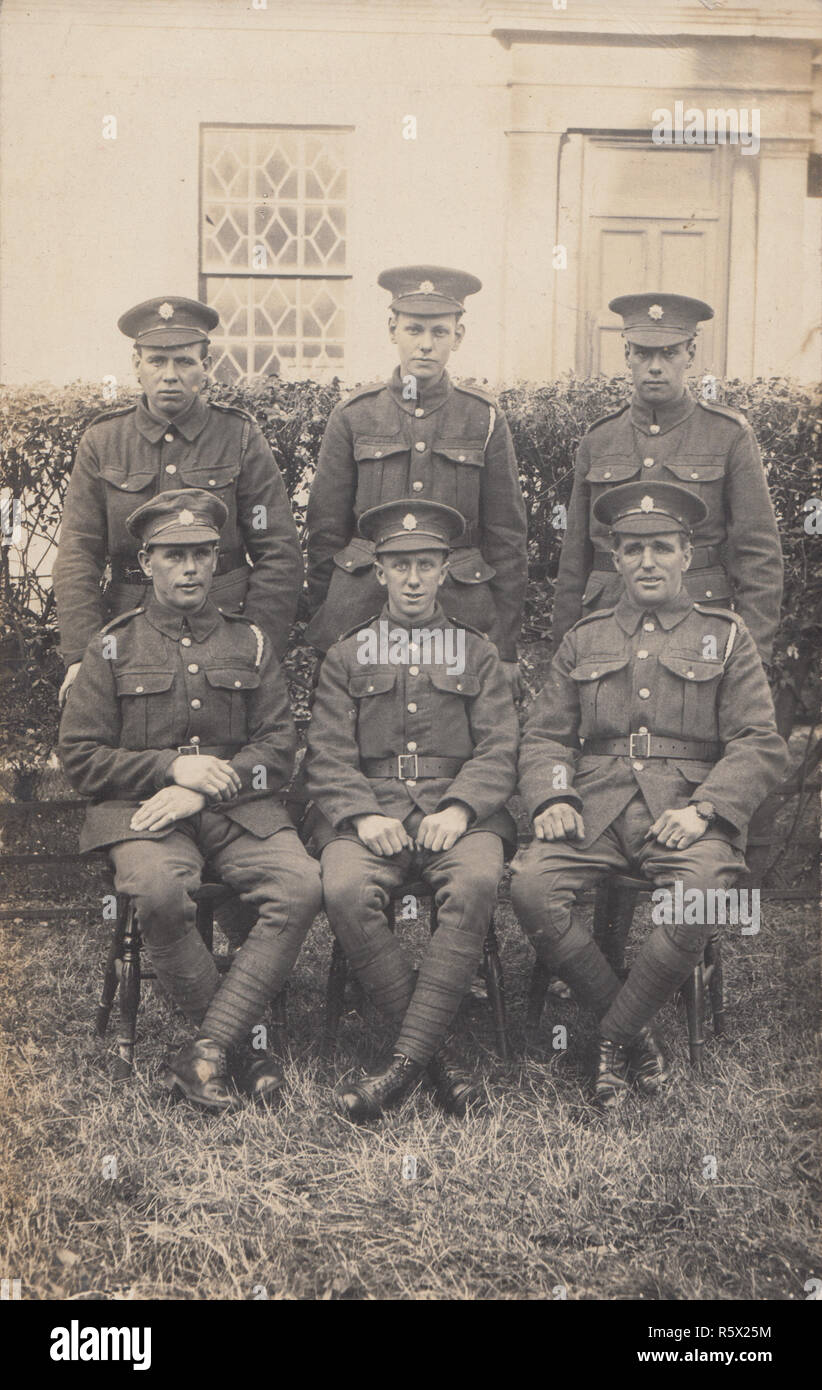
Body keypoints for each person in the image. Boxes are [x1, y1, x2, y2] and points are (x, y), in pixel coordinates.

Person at [511, 481, 787, 1110]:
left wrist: (705, 809)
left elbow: (759, 743)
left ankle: (613, 1037)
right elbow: (546, 736)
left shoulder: (726, 635)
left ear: (688, 555)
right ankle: (635, 1035)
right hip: (596, 806)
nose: (647, 561)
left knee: (698, 900)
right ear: (615, 558)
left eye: (662, 547)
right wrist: (554, 797)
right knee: (531, 886)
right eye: (633, 549)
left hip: (687, 809)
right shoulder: (585, 637)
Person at [59, 490, 321, 1111]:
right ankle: (244, 1051)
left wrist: (203, 791)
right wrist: (174, 770)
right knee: (158, 892)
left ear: (216, 560)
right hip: (142, 815)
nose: (189, 569)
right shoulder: (111, 646)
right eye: (173, 555)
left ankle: (204, 1051)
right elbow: (81, 757)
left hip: (237, 812)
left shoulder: (250, 642)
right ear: (146, 562)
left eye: (202, 554)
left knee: (303, 885)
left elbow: (278, 747)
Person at [304, 499, 519, 1122]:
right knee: (344, 886)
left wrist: (460, 805)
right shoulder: (346, 655)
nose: (414, 578)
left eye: (426, 564)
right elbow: (326, 753)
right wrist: (364, 815)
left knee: (477, 879)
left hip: (461, 814)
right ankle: (438, 1058)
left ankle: (401, 1067)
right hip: (370, 811)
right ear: (379, 571)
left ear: (446, 569)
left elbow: (502, 746)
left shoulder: (476, 652)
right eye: (401, 565)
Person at [54, 296, 303, 706]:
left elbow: (278, 550)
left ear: (206, 365)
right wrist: (83, 654)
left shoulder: (239, 437)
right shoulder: (104, 442)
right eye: (156, 361)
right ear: (136, 365)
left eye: (185, 362)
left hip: (226, 623)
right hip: (130, 626)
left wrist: (257, 642)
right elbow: (78, 553)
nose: (170, 375)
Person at [304, 265, 528, 687]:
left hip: (461, 607)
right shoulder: (355, 415)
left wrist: (506, 642)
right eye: (414, 329)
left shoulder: (482, 418)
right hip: (362, 607)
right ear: (393, 329)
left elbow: (507, 537)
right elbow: (325, 533)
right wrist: (327, 619)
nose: (425, 345)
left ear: (458, 336)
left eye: (440, 332)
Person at [552, 293, 783, 665]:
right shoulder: (599, 439)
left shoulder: (728, 435)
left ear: (690, 353)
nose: (654, 367)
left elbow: (759, 556)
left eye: (669, 353)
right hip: (607, 618)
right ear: (626, 353)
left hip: (699, 619)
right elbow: (575, 558)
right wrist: (563, 651)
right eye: (642, 353)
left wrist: (751, 657)